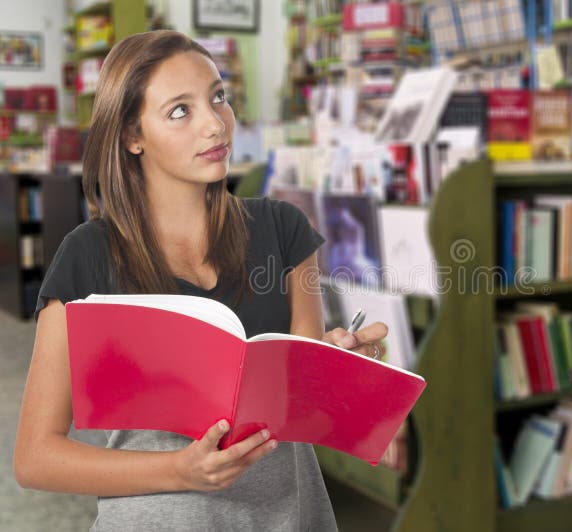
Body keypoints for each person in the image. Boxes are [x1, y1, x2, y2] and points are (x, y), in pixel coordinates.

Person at [13, 30, 388, 531]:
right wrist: (180, 470)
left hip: (288, 515)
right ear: (132, 136)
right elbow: (36, 457)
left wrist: (340, 368)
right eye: (179, 111)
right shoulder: (88, 255)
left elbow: (306, 407)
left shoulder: (283, 229)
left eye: (218, 97)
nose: (215, 124)